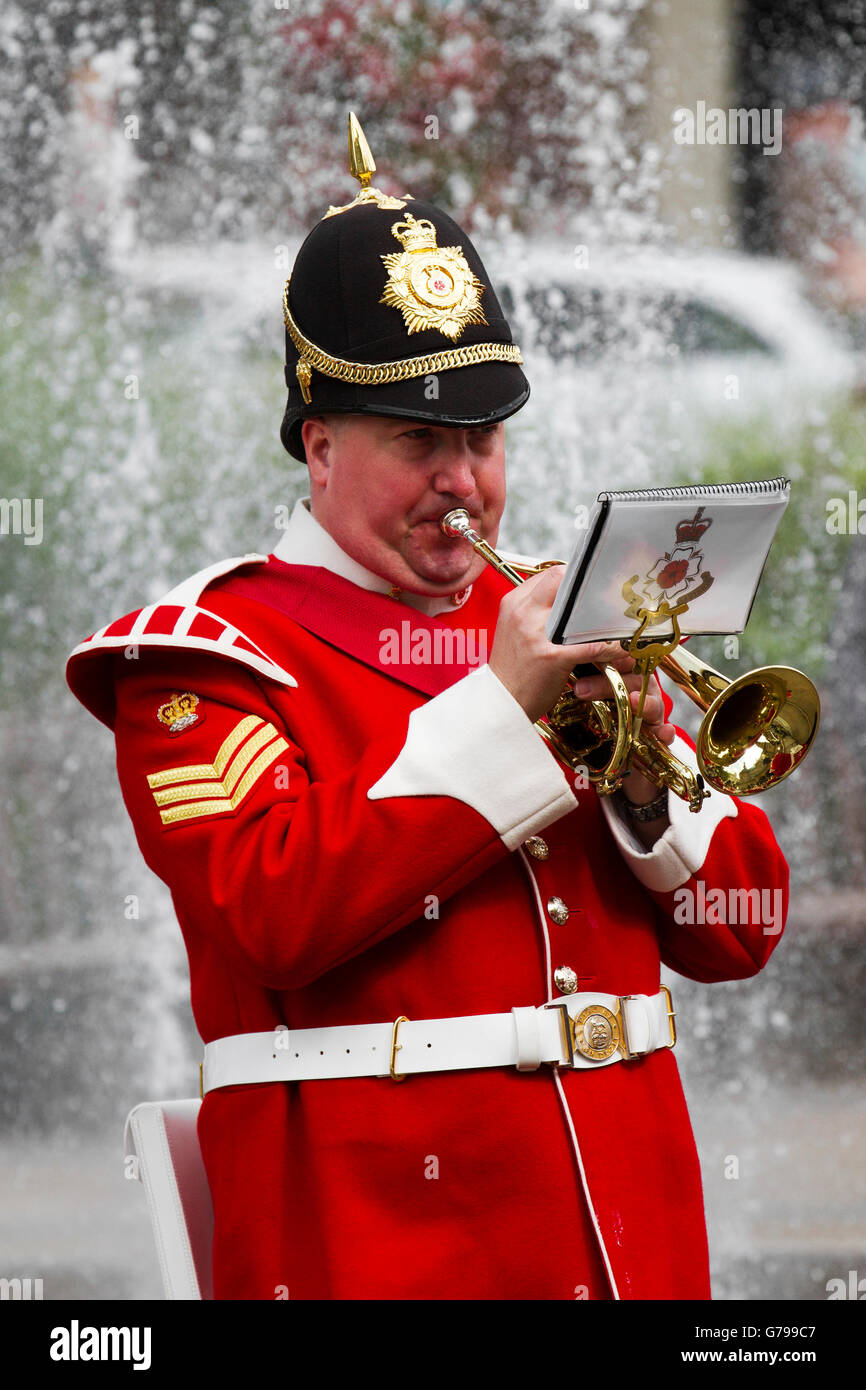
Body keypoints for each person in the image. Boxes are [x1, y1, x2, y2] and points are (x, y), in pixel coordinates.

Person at [67, 117, 789, 1301]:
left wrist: (649, 778)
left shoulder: (560, 621)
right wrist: (505, 712)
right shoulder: (203, 657)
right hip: (380, 1251)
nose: (464, 481)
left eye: (483, 438)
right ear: (317, 444)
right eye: (418, 441)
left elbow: (737, 929)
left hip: (631, 1246)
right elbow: (274, 913)